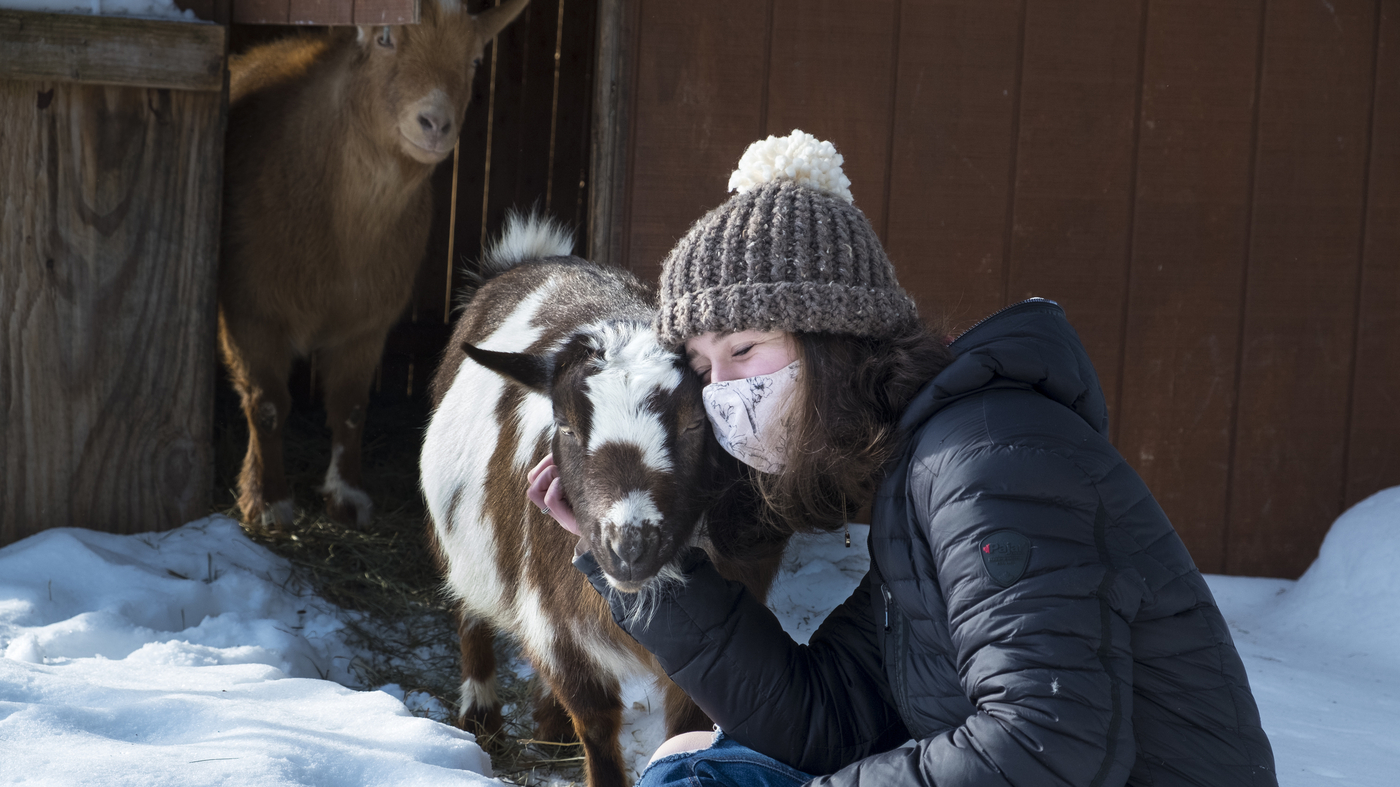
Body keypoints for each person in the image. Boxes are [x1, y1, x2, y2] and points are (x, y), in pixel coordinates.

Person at [527, 130, 1277, 787]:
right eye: (702, 365)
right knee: (695, 759)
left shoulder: (986, 463)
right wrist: (645, 570)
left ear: (832, 340)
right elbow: (832, 712)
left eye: (744, 350)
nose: (721, 393)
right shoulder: (915, 476)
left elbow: (1045, 742)